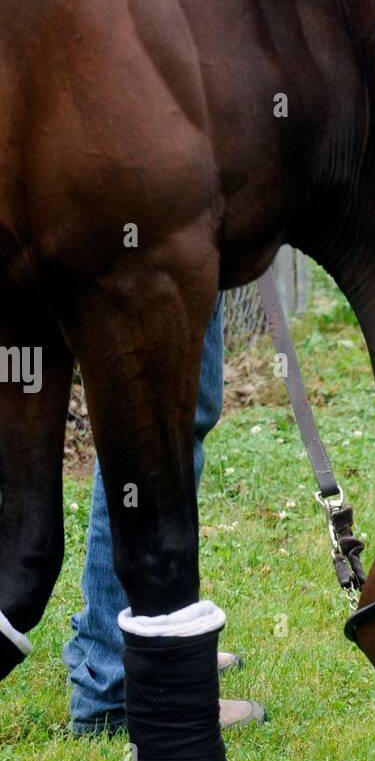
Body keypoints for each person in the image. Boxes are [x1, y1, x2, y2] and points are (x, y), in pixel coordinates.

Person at [63, 295, 265, 737]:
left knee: (159, 419)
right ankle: (117, 679)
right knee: (156, 423)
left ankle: (135, 643)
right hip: (155, 245)